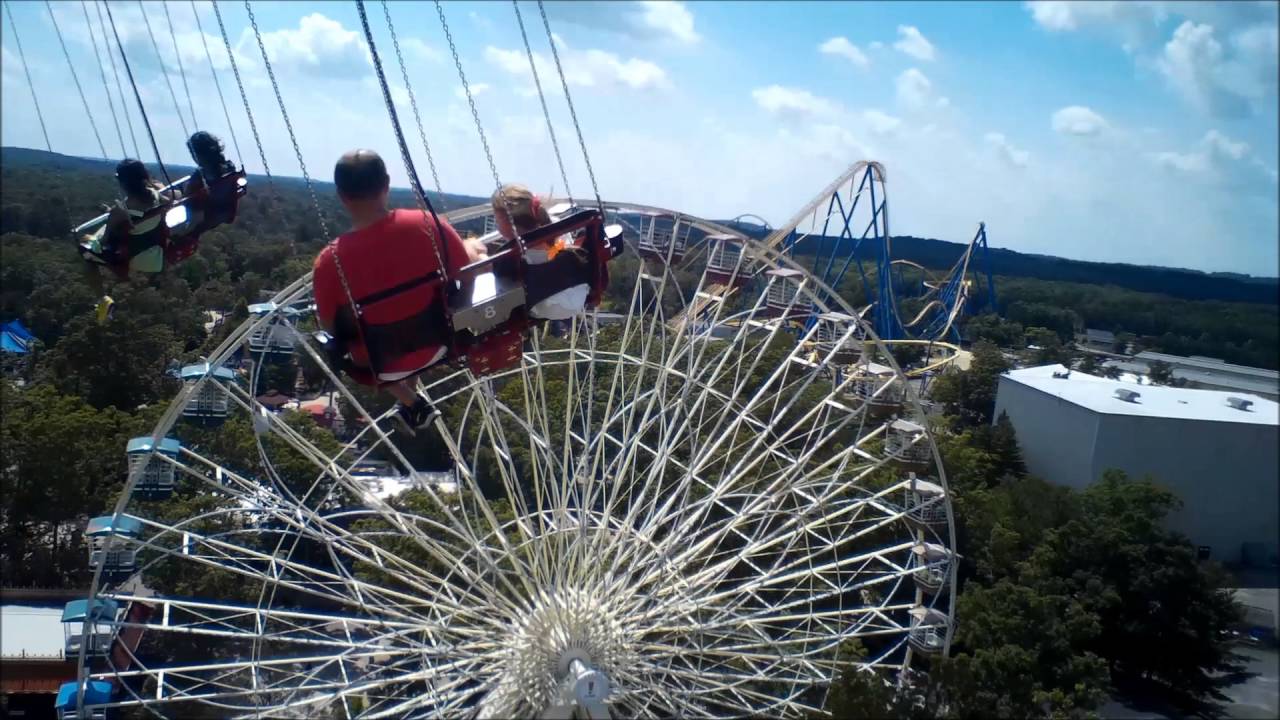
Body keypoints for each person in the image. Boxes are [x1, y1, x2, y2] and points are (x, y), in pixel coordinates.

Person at [313, 149, 483, 429]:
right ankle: (409, 401)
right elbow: (467, 274)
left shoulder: (329, 263)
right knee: (414, 312)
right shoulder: (429, 225)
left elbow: (331, 328)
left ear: (342, 196)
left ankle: (408, 399)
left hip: (379, 366)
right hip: (437, 344)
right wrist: (457, 309)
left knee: (372, 333)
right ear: (386, 185)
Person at [79, 159, 178, 323]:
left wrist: (111, 215)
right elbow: (169, 203)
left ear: (123, 183)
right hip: (154, 254)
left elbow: (105, 240)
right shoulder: (155, 196)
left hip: (132, 257)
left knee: (86, 255)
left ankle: (103, 299)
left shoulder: (120, 210)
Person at [490, 183, 593, 321]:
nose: (497, 225)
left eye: (497, 220)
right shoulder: (557, 226)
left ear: (506, 222)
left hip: (549, 306)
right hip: (578, 293)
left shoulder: (516, 253)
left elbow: (500, 274)